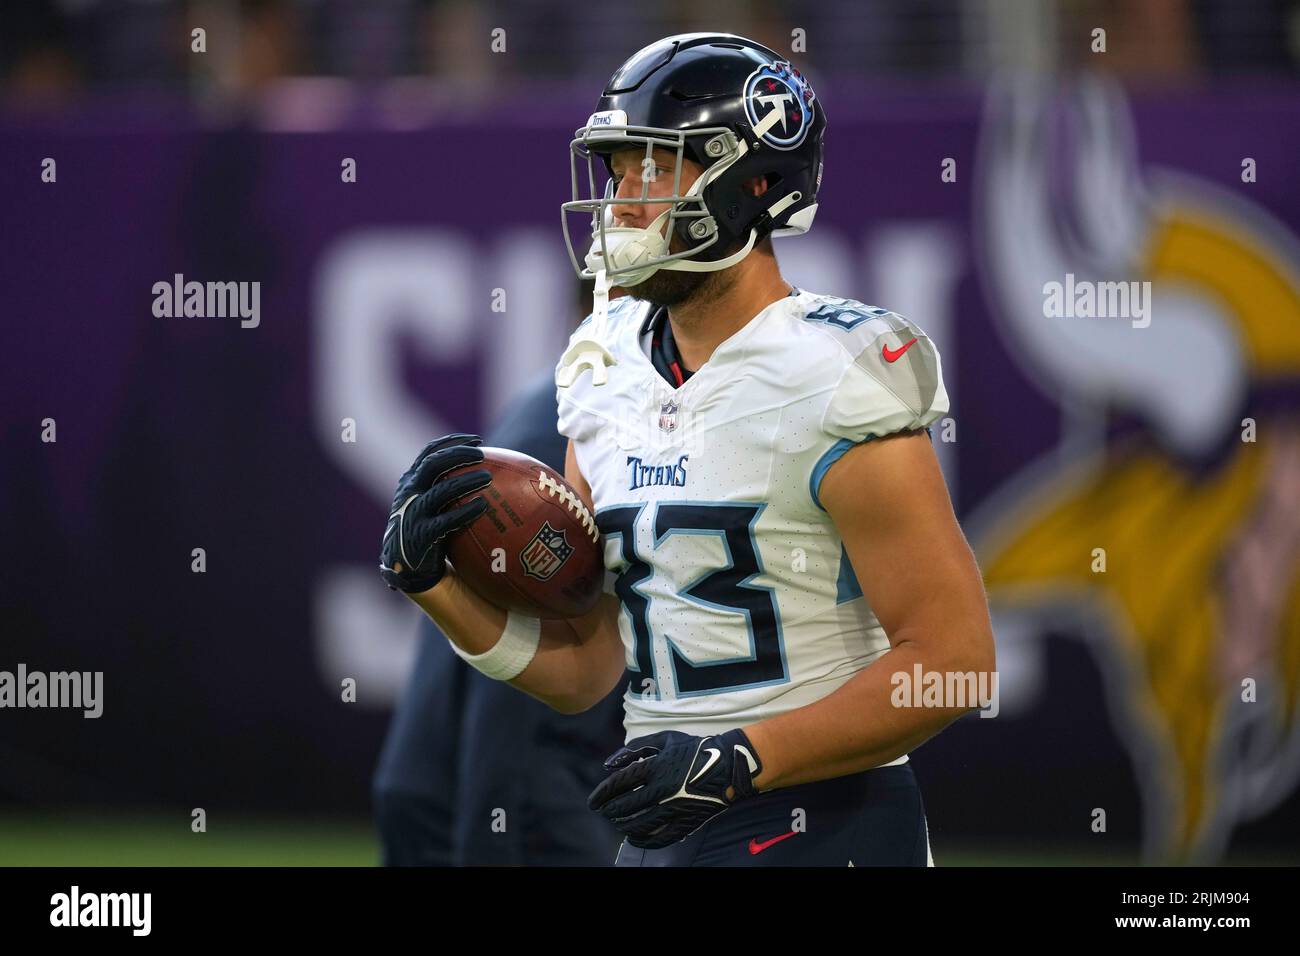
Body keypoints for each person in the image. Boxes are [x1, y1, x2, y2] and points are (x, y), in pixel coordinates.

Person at [378, 34, 995, 866]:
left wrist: (741, 757)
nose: (623, 201)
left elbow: (956, 663)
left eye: (654, 168)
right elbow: (591, 666)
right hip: (664, 823)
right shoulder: (603, 366)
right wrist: (437, 590)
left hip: (825, 820)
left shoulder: (836, 368)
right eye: (618, 170)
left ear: (754, 182)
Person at [372, 370, 624, 866]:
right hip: (506, 805)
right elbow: (510, 716)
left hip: (461, 796)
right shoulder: (583, 431)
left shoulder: (563, 411)